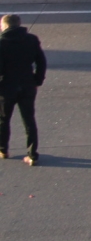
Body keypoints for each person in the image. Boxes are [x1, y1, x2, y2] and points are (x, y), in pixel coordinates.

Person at [0, 14, 46, 165]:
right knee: (29, 120)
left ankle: (3, 149)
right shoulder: (31, 39)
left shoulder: (1, 43)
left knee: (3, 119)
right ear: (19, 24)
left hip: (6, 87)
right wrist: (37, 80)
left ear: (5, 26)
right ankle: (32, 155)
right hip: (27, 84)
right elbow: (41, 62)